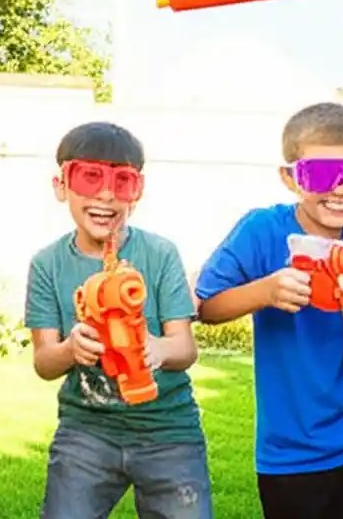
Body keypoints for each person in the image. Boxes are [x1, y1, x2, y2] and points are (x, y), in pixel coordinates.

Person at [195, 102, 343, 519]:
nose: (342, 189)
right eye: (322, 174)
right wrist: (266, 292)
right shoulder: (262, 230)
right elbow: (206, 307)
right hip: (295, 455)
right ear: (290, 178)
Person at [25, 121, 211, 519]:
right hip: (87, 428)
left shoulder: (160, 254)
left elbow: (185, 348)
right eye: (89, 178)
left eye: (121, 182)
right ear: (61, 186)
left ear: (137, 192)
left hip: (168, 429)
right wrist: (72, 349)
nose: (107, 195)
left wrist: (157, 348)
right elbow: (44, 361)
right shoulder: (47, 265)